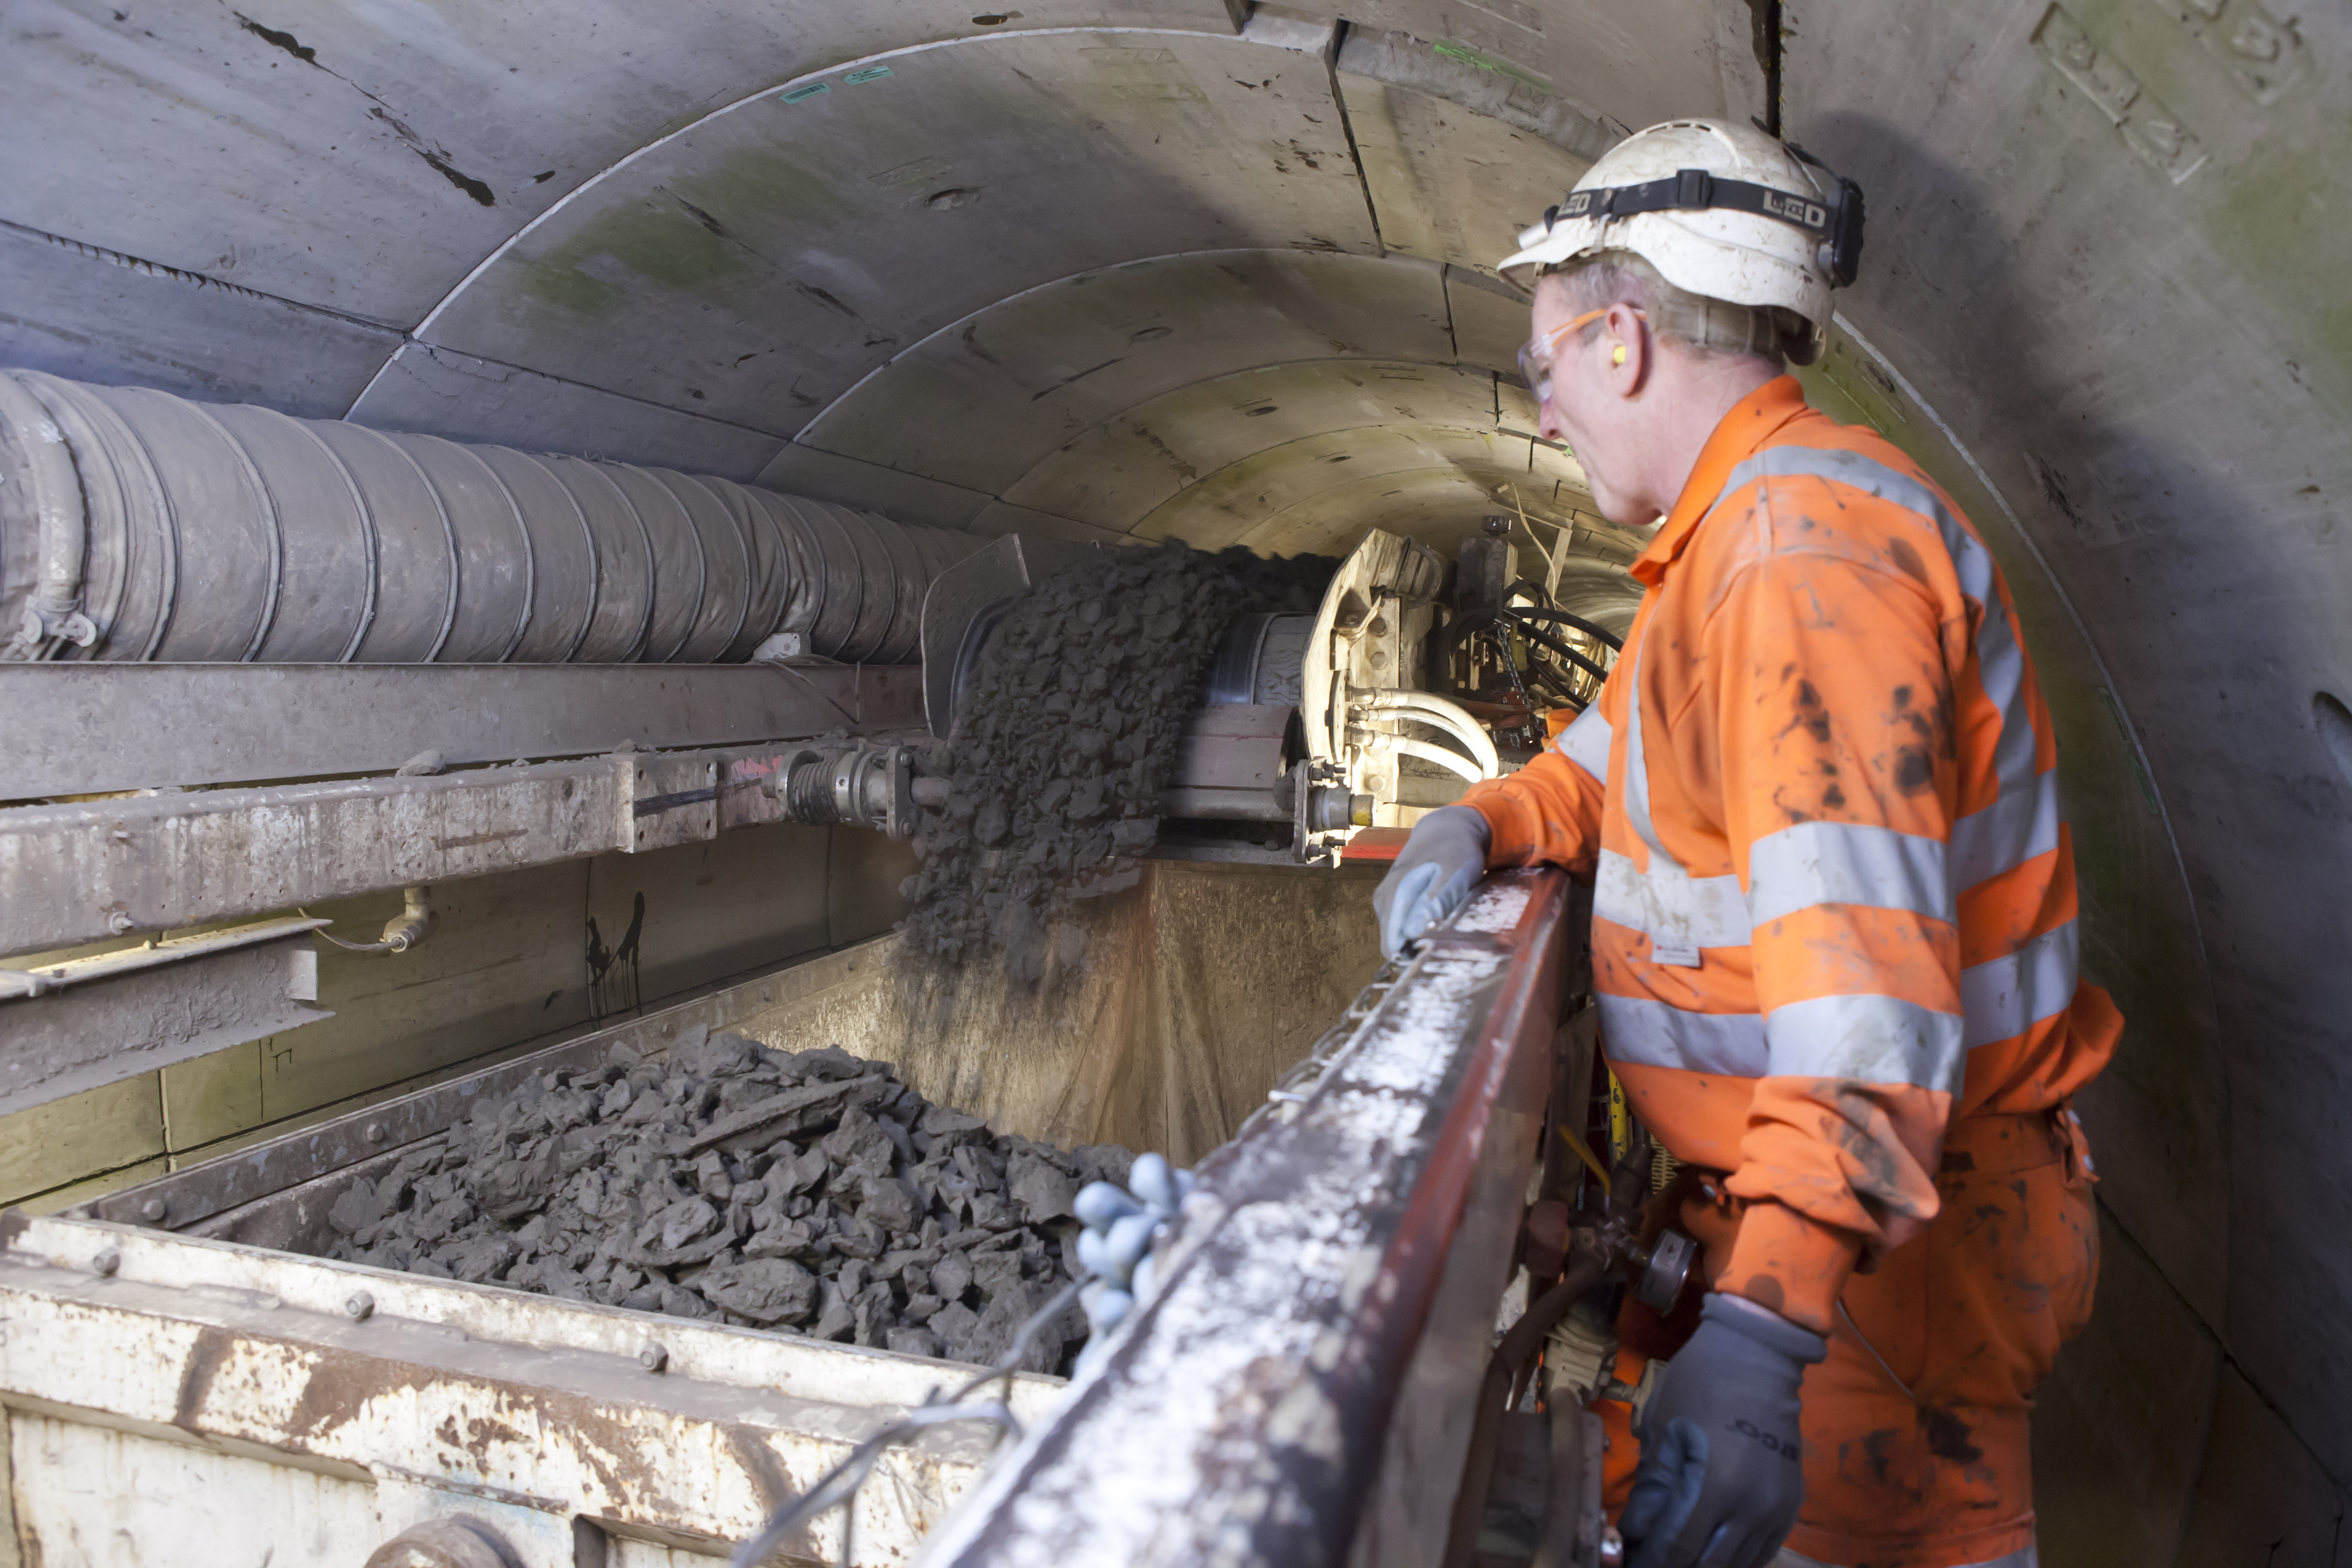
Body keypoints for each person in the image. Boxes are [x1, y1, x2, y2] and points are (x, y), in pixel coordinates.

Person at [1373, 119, 2120, 1568]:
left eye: (1542, 370)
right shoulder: (1722, 553)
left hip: (1881, 1245)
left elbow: (1870, 1012)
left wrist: (1765, 1324)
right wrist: (1478, 819)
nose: (1543, 413)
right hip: (1838, 1213)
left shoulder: (1800, 562)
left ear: (1619, 343)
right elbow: (1602, 770)